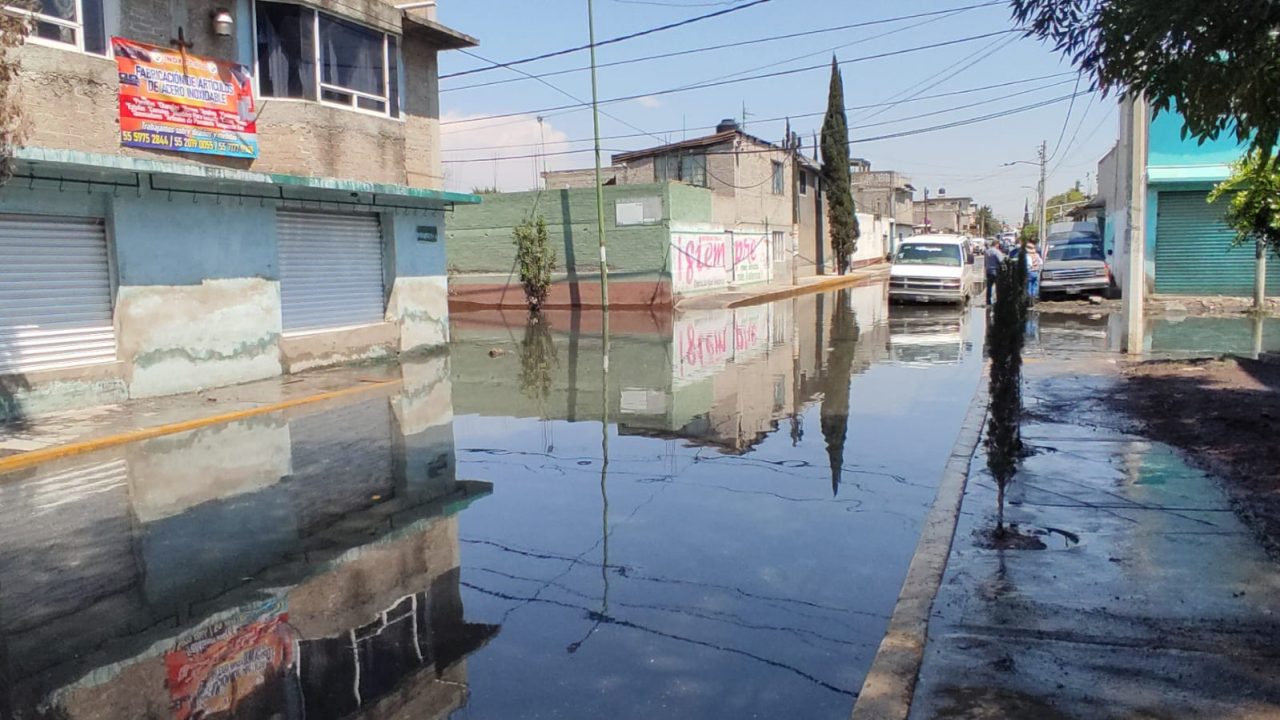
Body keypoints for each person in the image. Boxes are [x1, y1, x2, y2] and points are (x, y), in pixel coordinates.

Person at [984, 239, 1004, 305]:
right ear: (997, 244)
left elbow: (985, 262)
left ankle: (988, 301)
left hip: (988, 271)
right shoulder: (997, 252)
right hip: (996, 271)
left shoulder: (987, 251)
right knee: (998, 287)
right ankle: (998, 301)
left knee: (989, 287)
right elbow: (1001, 261)